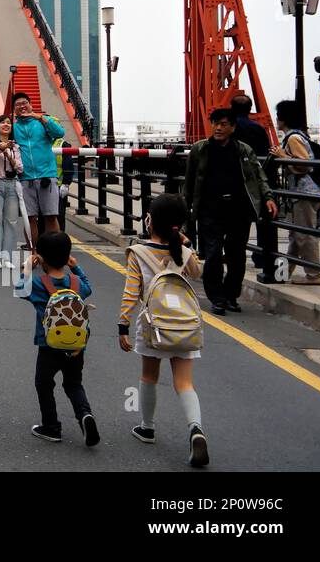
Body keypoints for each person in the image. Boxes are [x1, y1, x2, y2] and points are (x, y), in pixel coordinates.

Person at [119, 193, 210, 468]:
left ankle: (147, 427)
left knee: (149, 375)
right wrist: (187, 245)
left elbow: (131, 292)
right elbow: (197, 273)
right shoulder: (183, 251)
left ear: (150, 222)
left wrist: (122, 324)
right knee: (184, 382)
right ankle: (195, 428)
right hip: (183, 324)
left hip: (152, 325)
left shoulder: (138, 253)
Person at [181, 107, 276, 315]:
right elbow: (188, 183)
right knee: (213, 254)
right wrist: (184, 211)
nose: (218, 128)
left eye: (224, 124)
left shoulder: (243, 150)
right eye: (215, 123)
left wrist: (268, 197)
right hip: (210, 210)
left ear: (233, 127)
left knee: (236, 256)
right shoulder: (200, 150)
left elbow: (259, 176)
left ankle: (231, 295)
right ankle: (217, 298)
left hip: (238, 210)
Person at [24, 230, 98, 446]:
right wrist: (75, 266)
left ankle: (51, 426)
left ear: (41, 258)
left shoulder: (39, 284)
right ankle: (85, 415)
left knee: (44, 383)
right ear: (67, 257)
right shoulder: (75, 283)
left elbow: (20, 289)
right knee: (74, 384)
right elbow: (89, 287)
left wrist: (28, 267)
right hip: (76, 347)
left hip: (48, 346)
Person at [271, 100, 320, 286]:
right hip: (303, 192)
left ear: (283, 119)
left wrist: (282, 156)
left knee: (304, 234)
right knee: (296, 235)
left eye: (278, 116)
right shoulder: (299, 135)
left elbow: (303, 165)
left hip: (304, 192)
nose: (276, 119)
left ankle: (314, 275)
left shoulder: (293, 138)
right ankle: (282, 274)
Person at [231, 94, 277, 277]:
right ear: (250, 109)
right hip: (257, 178)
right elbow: (266, 153)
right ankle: (263, 257)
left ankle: (235, 254)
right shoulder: (258, 128)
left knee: (237, 223)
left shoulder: (232, 129)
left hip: (236, 181)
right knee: (264, 222)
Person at [11, 92, 65, 247]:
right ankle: (34, 253)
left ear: (30, 104)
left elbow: (60, 133)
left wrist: (40, 117)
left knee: (51, 217)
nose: (22, 106)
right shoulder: (14, 128)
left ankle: (54, 253)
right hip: (25, 178)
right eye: (18, 105)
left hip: (46, 176)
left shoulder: (42, 123)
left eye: (24, 103)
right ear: (14, 110)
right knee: (30, 218)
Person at [0, 114, 24, 268]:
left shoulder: (16, 147)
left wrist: (12, 158)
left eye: (8, 123)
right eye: (2, 122)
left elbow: (20, 168)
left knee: (12, 221)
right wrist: (4, 147)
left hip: (12, 184)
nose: (6, 125)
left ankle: (7, 257)